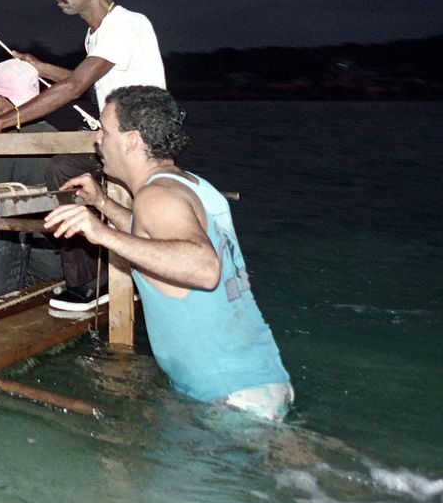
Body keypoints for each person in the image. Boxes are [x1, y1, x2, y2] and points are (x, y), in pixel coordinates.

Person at [44, 86, 292, 421]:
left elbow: (204, 268)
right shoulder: (190, 186)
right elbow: (158, 238)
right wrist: (102, 204)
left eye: (103, 129)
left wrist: (101, 234)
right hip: (254, 380)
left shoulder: (156, 197)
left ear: (132, 140)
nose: (97, 139)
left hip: (229, 397)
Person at [0, 0, 166, 314]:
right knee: (64, 170)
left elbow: (74, 87)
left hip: (142, 148)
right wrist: (39, 67)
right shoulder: (98, 34)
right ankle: (90, 280)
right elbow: (81, 78)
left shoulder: (127, 24)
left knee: (65, 169)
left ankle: (98, 280)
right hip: (116, 146)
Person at [0, 59, 63, 298]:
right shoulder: (59, 137)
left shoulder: (7, 145)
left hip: (35, 272)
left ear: (3, 103)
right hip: (68, 264)